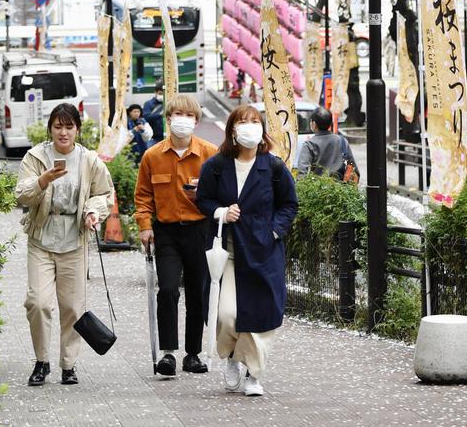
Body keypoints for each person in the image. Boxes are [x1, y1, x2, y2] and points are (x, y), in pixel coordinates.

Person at [196, 104, 298, 397]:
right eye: (243, 121)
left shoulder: (273, 167)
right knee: (225, 314)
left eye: (255, 121)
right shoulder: (217, 166)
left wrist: (275, 231)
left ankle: (253, 374)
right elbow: (203, 200)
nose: (249, 126)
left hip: (263, 252)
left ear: (262, 129)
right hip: (226, 252)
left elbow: (289, 204)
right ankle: (230, 356)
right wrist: (220, 212)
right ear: (232, 129)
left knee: (258, 317)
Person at [15, 102, 114, 387]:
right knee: (38, 303)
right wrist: (43, 180)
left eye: (69, 126)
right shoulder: (36, 156)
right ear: (50, 129)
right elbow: (21, 195)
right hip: (42, 239)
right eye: (58, 126)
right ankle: (41, 361)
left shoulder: (89, 160)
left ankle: (68, 365)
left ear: (78, 130)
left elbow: (104, 193)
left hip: (75, 239)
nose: (63, 132)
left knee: (73, 306)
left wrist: (93, 212)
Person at [134, 94, 217, 377]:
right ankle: (168, 352)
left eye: (188, 115)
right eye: (177, 114)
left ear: (196, 120)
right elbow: (143, 196)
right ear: (168, 119)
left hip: (200, 230)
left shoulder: (210, 154)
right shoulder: (152, 155)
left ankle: (192, 353)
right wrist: (145, 226)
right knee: (167, 289)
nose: (182, 120)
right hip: (166, 231)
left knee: (197, 291)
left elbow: (222, 193)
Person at [296, 107, 360, 182]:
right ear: (330, 124)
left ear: (313, 124)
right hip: (341, 190)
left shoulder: (309, 145)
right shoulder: (342, 141)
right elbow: (353, 169)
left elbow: (302, 174)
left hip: (317, 191)